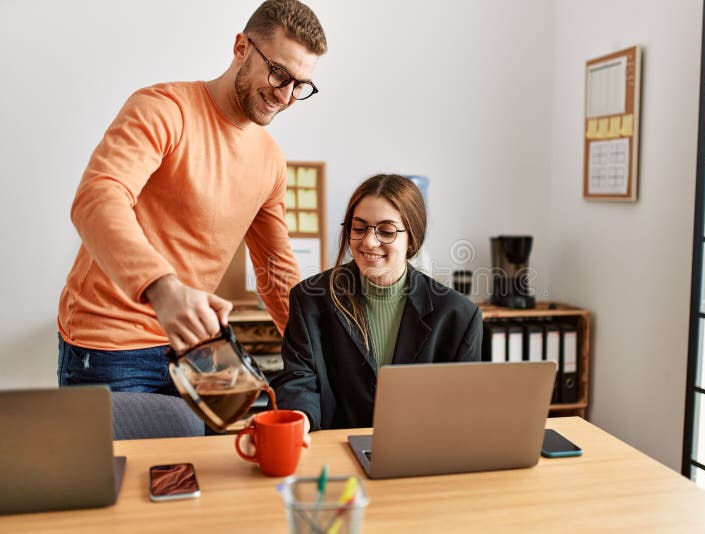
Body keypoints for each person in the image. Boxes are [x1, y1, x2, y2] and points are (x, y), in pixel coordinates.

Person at [57, 0, 327, 394]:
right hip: (109, 343)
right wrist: (163, 289)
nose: (285, 96)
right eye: (279, 74)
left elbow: (276, 269)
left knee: (209, 455)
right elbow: (98, 198)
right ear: (241, 48)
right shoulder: (164, 110)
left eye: (299, 86)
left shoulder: (270, 160)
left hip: (194, 347)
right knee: (121, 459)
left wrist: (317, 354)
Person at [270, 174, 483, 432]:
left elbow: (461, 406)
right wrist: (298, 421)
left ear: (412, 238)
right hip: (335, 452)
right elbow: (299, 378)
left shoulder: (458, 315)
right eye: (359, 228)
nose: (369, 242)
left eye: (386, 231)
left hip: (422, 456)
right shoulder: (310, 299)